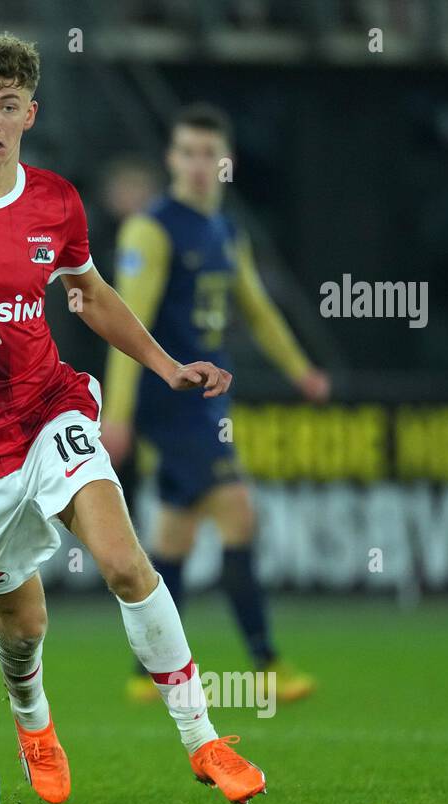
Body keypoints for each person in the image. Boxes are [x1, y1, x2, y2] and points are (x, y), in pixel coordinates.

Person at [0, 35, 265, 804]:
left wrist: (167, 366)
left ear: (29, 113)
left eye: (6, 105)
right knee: (22, 621)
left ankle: (204, 741)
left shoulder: (56, 202)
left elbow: (90, 294)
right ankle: (33, 723)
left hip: (47, 404)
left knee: (127, 564)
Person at [102, 103, 329, 706]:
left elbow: (256, 309)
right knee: (237, 511)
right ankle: (266, 661)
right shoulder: (152, 229)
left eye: (209, 154)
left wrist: (302, 371)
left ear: (224, 163)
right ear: (172, 159)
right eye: (187, 153)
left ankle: (142, 671)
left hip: (205, 400)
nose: (198, 165)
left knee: (173, 537)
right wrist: (117, 413)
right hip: (167, 396)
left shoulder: (227, 230)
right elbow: (129, 323)